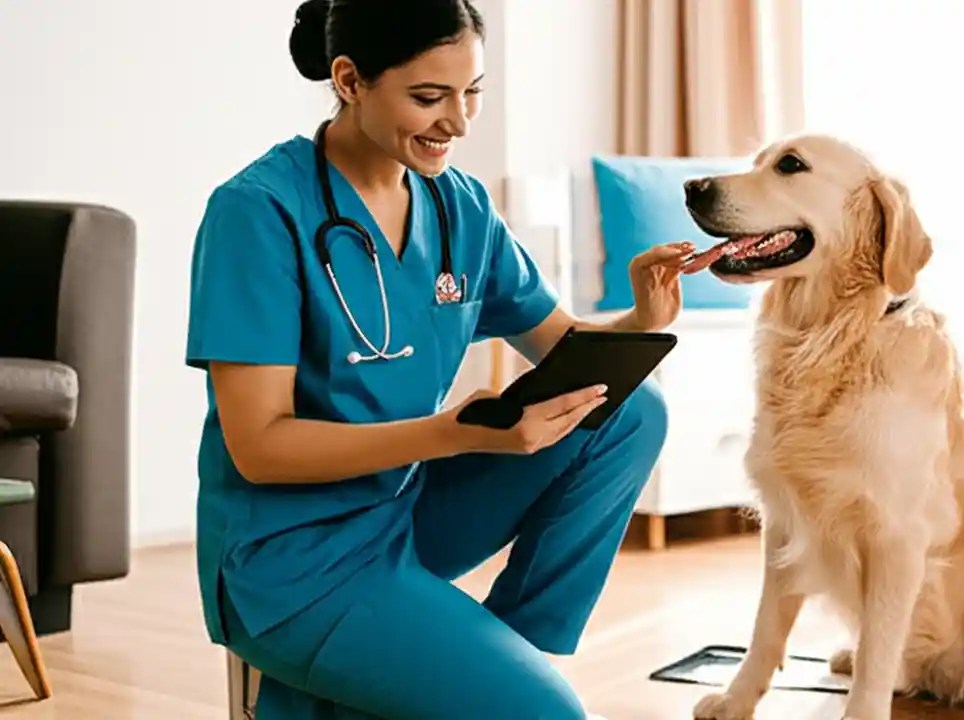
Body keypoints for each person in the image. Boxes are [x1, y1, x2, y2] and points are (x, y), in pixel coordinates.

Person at [184, 1, 692, 717]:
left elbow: (564, 348)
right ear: (350, 79)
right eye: (429, 97)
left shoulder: (461, 208)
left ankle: (498, 650)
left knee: (631, 410)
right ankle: (459, 674)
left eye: (473, 91)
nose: (458, 121)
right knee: (553, 716)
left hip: (405, 514)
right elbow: (259, 447)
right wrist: (451, 433)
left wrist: (641, 317)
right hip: (291, 561)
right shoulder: (259, 211)